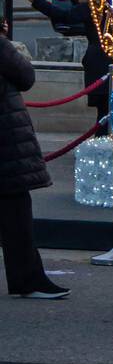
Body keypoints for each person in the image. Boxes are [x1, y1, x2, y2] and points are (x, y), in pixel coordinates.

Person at [0, 18, 68, 299]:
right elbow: (26, 76)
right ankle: (27, 277)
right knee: (16, 214)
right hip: (5, 139)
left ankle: (27, 277)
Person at [25, 0, 110, 124]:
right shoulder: (111, 10)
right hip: (108, 61)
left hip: (97, 63)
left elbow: (62, 15)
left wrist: (37, 0)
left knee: (103, 113)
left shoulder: (90, 8)